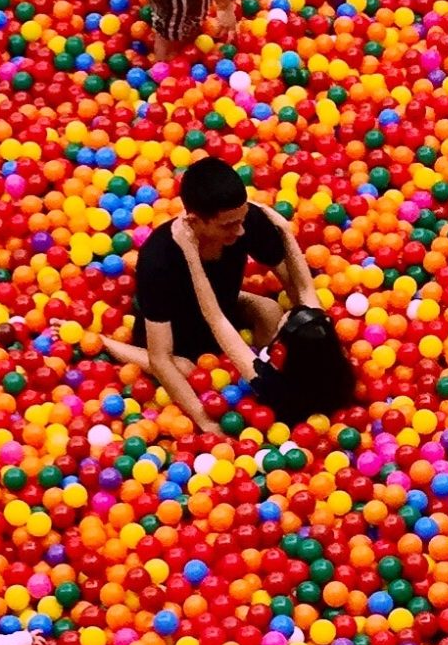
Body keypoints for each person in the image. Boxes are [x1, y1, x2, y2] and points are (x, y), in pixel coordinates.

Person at [97, 155, 319, 435]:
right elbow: (161, 358)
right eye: (227, 225)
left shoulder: (245, 220)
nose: (239, 230)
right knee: (186, 368)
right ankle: (107, 344)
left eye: (242, 219)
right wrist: (205, 420)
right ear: (194, 221)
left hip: (224, 311)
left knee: (270, 311)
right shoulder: (159, 258)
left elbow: (298, 288)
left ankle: (260, 377)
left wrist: (314, 338)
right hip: (176, 336)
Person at [247, 305, 356, 426]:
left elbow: (221, 324)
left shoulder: (272, 385)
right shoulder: (340, 368)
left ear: (283, 351)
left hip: (282, 432)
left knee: (268, 308)